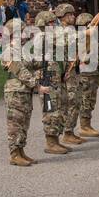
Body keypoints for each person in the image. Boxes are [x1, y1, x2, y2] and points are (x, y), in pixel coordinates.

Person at [2, 17, 48, 166]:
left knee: (24, 122)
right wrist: (37, 85)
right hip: (15, 92)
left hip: (24, 91)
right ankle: (14, 154)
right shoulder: (9, 50)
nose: (25, 34)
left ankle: (21, 150)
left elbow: (33, 63)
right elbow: (20, 71)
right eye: (22, 31)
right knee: (15, 123)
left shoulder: (23, 49)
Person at [35, 10, 70, 153]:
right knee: (50, 110)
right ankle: (50, 143)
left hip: (55, 77)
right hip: (47, 78)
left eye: (53, 22)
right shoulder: (43, 36)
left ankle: (55, 140)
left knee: (58, 108)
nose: (53, 25)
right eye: (50, 23)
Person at [54, 3, 86, 146]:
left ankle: (70, 131)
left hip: (73, 71)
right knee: (70, 101)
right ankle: (66, 132)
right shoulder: (60, 31)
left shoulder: (71, 30)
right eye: (70, 15)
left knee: (76, 100)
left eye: (73, 14)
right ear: (62, 17)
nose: (73, 17)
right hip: (66, 72)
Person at [75, 11, 99, 137]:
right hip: (85, 75)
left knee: (91, 100)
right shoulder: (80, 37)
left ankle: (87, 124)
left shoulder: (90, 37)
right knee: (85, 100)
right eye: (88, 23)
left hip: (93, 74)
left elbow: (95, 51)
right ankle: (84, 126)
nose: (93, 26)